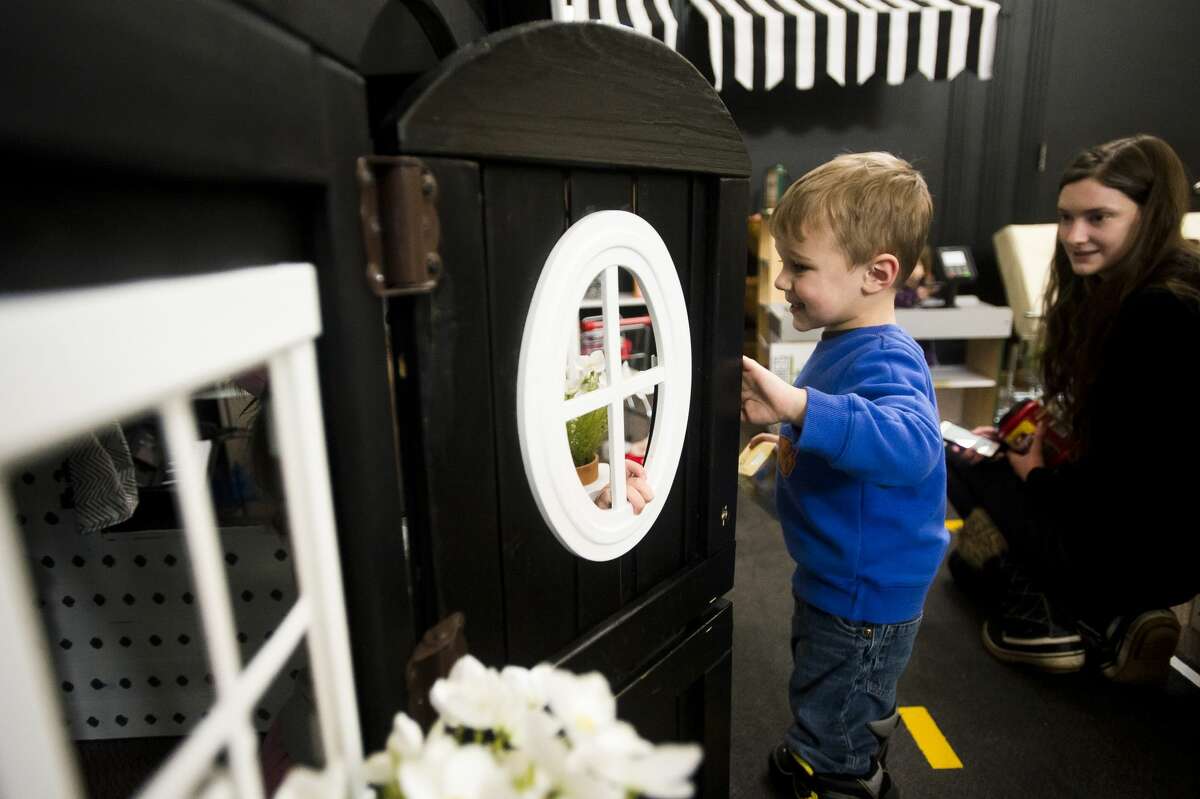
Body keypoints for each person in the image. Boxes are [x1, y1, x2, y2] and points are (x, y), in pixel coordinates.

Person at [946, 134, 1200, 683]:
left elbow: (1117, 488)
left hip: (1128, 552)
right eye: (1065, 218)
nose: (1073, 237)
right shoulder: (1166, 291)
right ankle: (1108, 622)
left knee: (967, 467)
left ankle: (1054, 614)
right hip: (1176, 556)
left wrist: (1033, 471)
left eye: (1097, 219)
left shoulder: (1149, 314)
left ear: (1148, 215)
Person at [740, 153, 946, 799]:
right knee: (830, 680)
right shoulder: (846, 339)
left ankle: (840, 775)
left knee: (840, 690)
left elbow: (912, 444)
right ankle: (834, 740)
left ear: (877, 273)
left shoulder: (885, 354)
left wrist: (800, 406)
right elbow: (850, 438)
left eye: (799, 267)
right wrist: (792, 434)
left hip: (865, 590)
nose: (782, 282)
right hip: (839, 574)